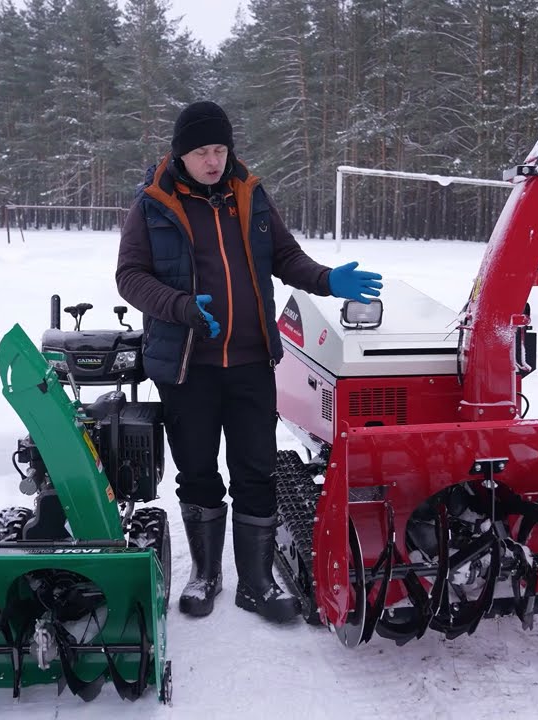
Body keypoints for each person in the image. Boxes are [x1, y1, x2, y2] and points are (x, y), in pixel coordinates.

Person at [116, 100, 382, 623]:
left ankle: (257, 584)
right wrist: (181, 307)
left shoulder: (249, 193)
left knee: (255, 471)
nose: (213, 161)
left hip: (251, 361)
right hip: (187, 367)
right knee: (197, 472)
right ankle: (205, 574)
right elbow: (130, 276)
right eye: (202, 152)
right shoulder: (153, 204)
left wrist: (328, 280)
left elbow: (284, 257)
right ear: (180, 154)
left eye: (220, 149)